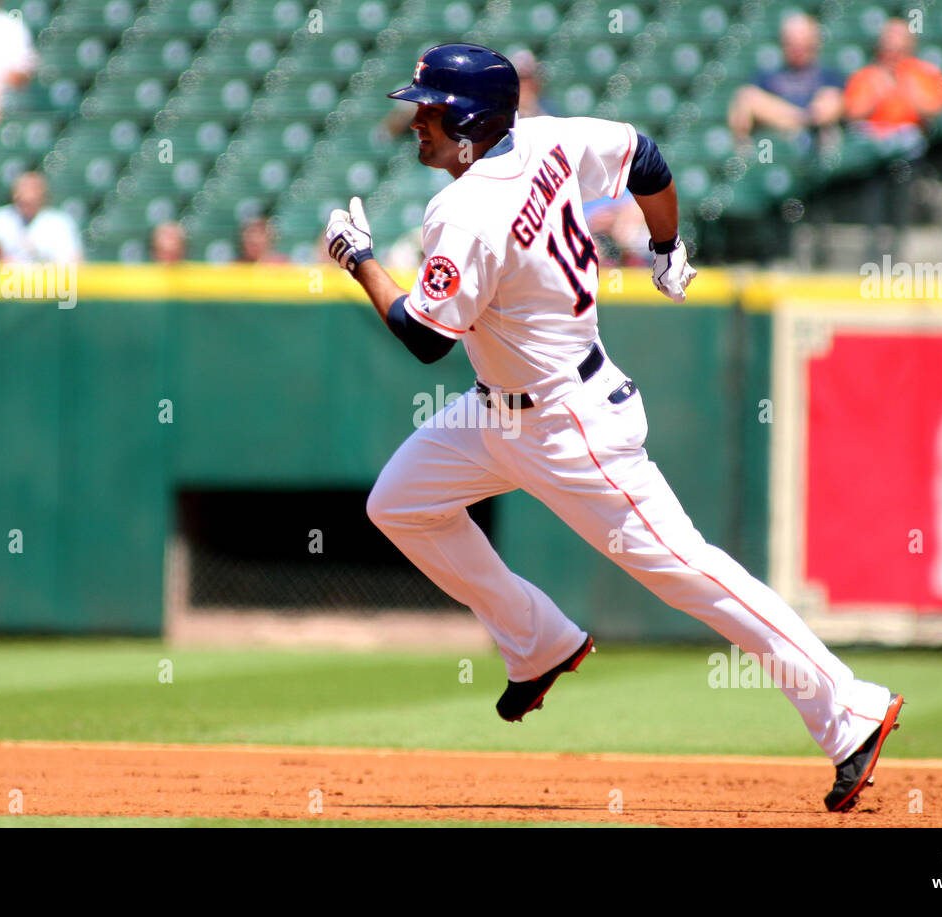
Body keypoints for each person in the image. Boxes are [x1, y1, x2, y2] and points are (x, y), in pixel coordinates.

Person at [324, 43, 904, 813]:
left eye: (430, 110)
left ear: (468, 122)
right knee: (399, 502)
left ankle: (846, 705)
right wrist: (668, 246)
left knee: (687, 570)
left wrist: (358, 258)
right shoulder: (547, 137)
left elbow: (426, 337)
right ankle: (537, 641)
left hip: (570, 426)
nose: (417, 121)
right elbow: (648, 158)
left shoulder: (463, 210)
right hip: (501, 407)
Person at [728, 12, 844, 150]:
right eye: (792, 43)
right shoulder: (768, 78)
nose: (797, 49)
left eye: (803, 42)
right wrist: (805, 118)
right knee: (746, 96)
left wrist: (779, 115)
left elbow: (828, 110)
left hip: (817, 144)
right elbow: (746, 104)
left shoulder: (828, 76)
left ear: (814, 42)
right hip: (774, 145)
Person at [843, 18, 942, 152]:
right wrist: (876, 92)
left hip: (908, 132)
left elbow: (933, 111)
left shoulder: (925, 72)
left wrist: (907, 86)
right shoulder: (865, 75)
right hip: (873, 133)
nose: (892, 56)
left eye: (898, 51)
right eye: (888, 50)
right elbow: (853, 115)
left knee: (909, 138)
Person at [0, 171, 82, 263]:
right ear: (14, 195)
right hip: (4, 281)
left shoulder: (60, 223)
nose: (27, 205)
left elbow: (73, 262)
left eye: (32, 201)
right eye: (23, 200)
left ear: (43, 197)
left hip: (48, 281)